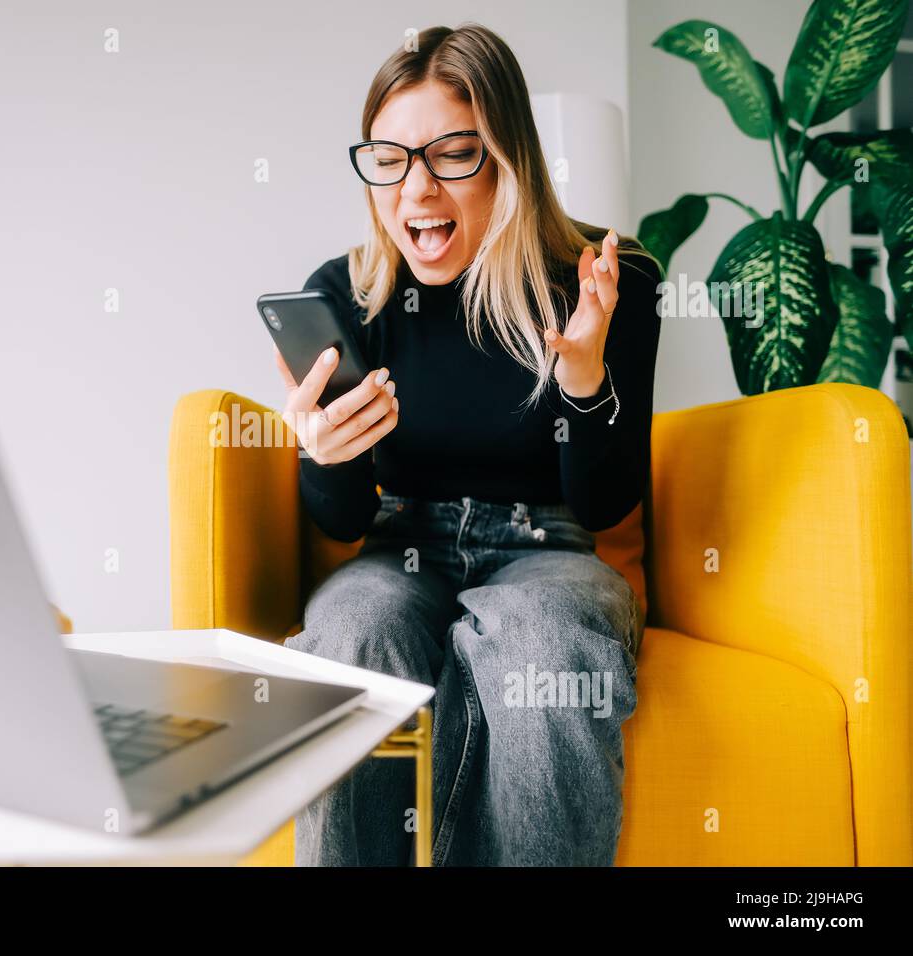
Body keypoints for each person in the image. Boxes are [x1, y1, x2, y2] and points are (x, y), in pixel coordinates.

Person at [276, 22, 663, 866]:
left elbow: (607, 502)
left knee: (541, 639)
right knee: (350, 631)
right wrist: (325, 452)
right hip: (397, 544)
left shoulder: (608, 277)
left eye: (453, 153)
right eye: (390, 157)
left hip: (548, 547)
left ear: (509, 156)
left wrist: (586, 380)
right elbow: (341, 526)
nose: (416, 189)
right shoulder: (344, 293)